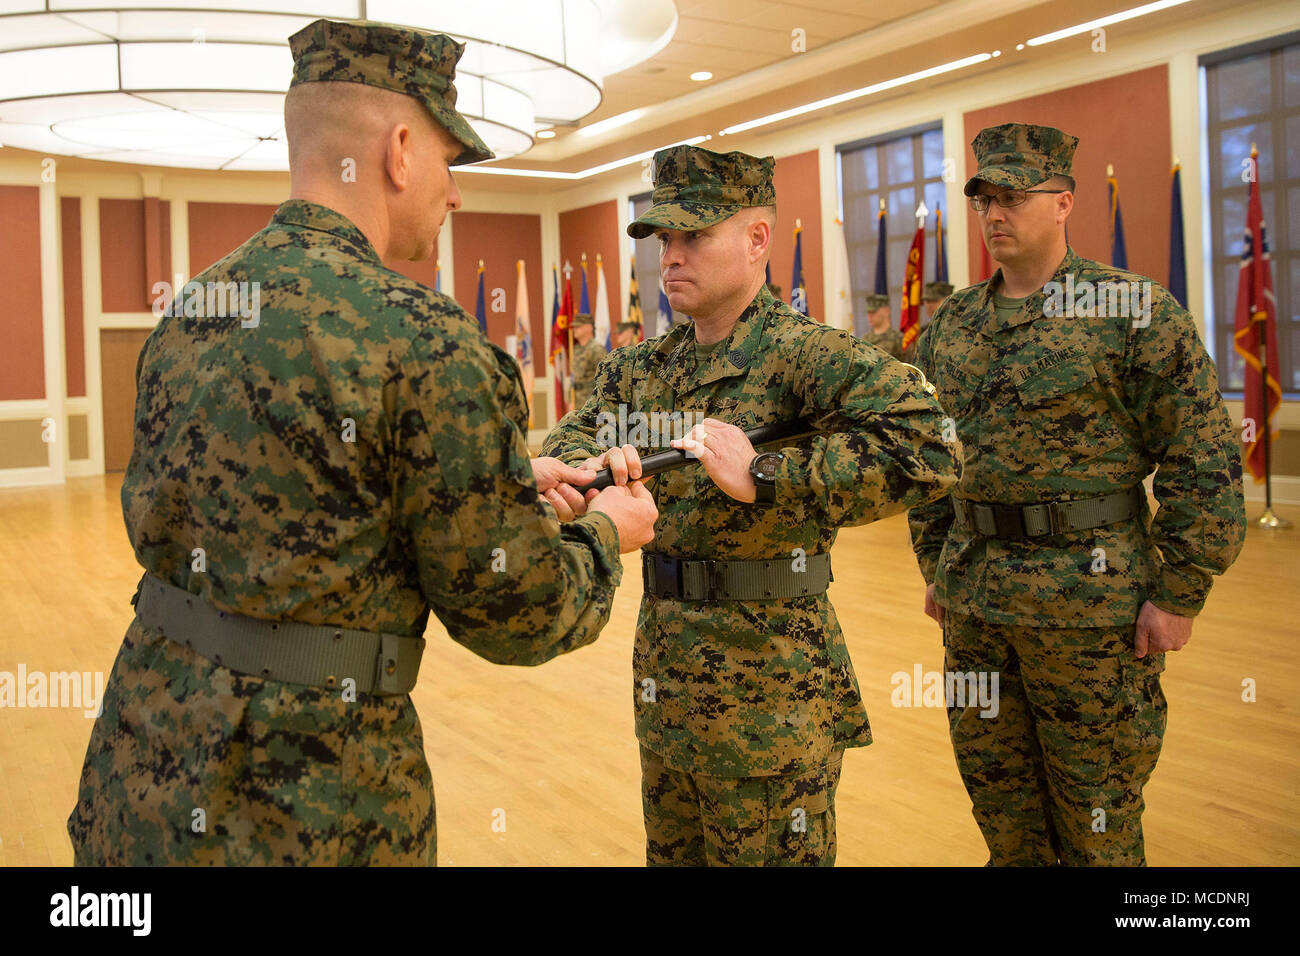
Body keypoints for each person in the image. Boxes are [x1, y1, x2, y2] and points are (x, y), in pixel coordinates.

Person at [67, 17, 657, 867]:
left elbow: (252, 495)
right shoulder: (427, 341)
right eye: (452, 166)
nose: (455, 196)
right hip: (308, 800)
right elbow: (515, 614)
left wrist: (490, 479)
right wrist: (608, 534)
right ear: (403, 152)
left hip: (141, 763)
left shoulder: (197, 303)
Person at [543, 145, 960, 866]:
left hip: (774, 699)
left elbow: (932, 446)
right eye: (663, 239)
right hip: (667, 689)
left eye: (694, 236)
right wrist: (575, 475)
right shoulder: (639, 369)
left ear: (757, 238)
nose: (672, 256)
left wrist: (768, 473)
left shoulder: (810, 356)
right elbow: (572, 445)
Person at [908, 122, 1246, 866]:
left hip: (1091, 613)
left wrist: (1181, 591)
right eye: (984, 199)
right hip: (976, 613)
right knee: (1002, 815)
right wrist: (938, 564)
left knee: (1099, 823)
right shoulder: (950, 328)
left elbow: (1203, 457)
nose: (995, 214)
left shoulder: (1133, 311)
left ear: (1063, 202)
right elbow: (923, 457)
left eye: (1014, 197)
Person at [569, 312, 607, 407]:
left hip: (592, 401)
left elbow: (605, 377)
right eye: (574, 327)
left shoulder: (597, 349)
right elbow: (574, 377)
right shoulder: (576, 349)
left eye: (578, 327)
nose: (575, 329)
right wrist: (570, 400)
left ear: (589, 327)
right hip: (577, 400)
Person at [861, 293, 902, 359]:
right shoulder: (864, 340)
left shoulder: (899, 339)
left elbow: (907, 367)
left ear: (887, 311)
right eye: (868, 312)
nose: (869, 316)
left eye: (873, 312)